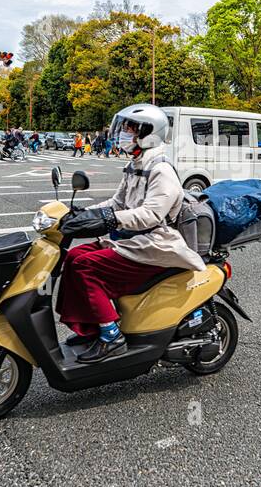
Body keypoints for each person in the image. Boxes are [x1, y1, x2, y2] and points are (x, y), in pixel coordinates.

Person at [57, 103, 204, 363]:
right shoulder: (136, 164)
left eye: (129, 129)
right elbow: (116, 203)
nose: (123, 133)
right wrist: (84, 213)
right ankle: (92, 327)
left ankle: (112, 337)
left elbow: (151, 215)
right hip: (133, 240)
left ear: (148, 132)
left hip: (156, 246)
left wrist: (110, 220)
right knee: (73, 256)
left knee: (86, 267)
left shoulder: (161, 170)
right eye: (124, 127)